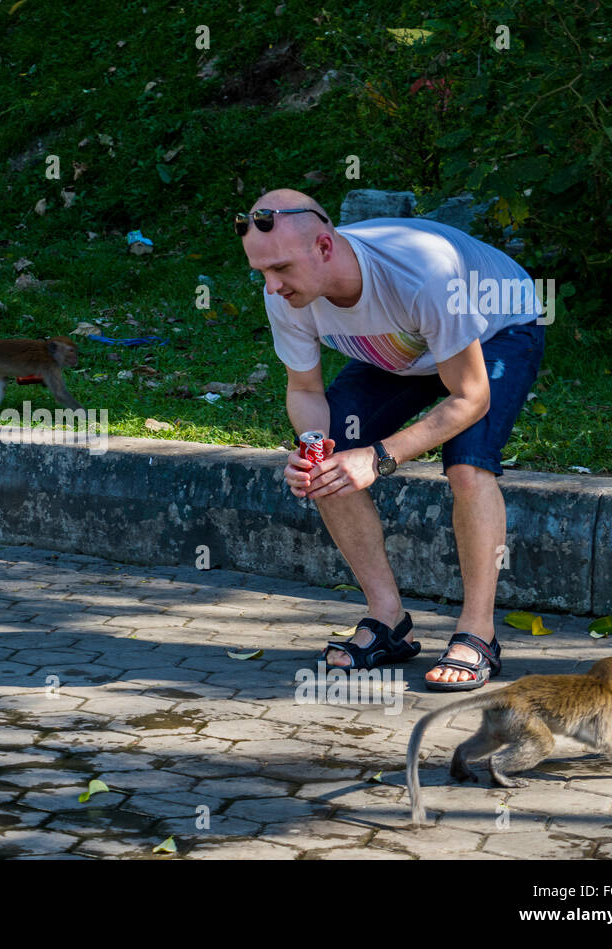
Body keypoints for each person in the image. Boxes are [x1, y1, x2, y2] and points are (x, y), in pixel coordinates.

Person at [238, 189, 546, 690]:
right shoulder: (286, 291)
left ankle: (478, 633)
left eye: (281, 270)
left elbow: (470, 398)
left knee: (468, 464)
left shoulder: (420, 274)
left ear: (323, 247)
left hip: (494, 330)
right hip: (407, 344)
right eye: (262, 273)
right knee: (327, 462)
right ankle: (388, 621)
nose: (272, 287)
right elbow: (304, 390)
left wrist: (379, 457)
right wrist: (314, 448)